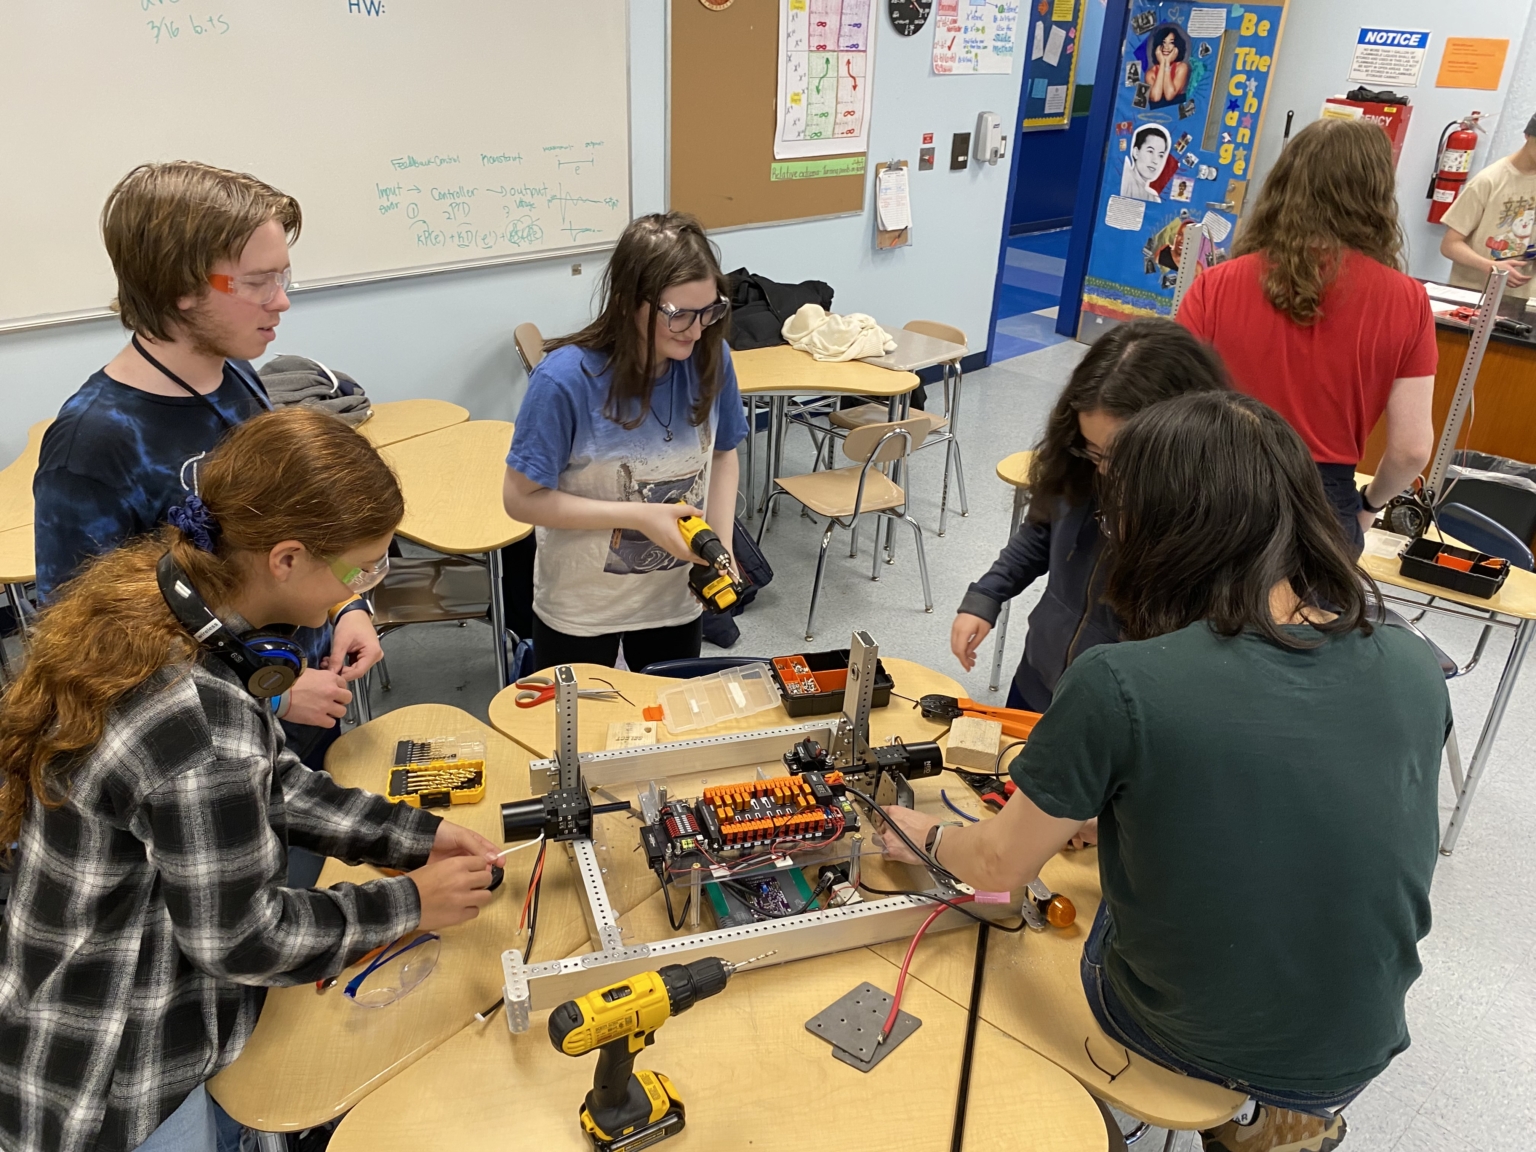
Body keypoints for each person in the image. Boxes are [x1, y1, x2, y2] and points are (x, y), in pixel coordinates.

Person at [884, 391, 1448, 1152]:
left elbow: (996, 866)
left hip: (1177, 1029)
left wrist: (919, 834)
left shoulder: (1121, 682)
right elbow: (1305, 803)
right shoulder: (1413, 663)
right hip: (1356, 1044)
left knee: (1039, 922)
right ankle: (1286, 1127)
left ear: (1153, 531)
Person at [0, 408, 499, 1152]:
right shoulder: (197, 720)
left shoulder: (166, 598)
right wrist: (409, 903)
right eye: (362, 568)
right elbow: (243, 940)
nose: (365, 587)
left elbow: (275, 783)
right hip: (122, 1079)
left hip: (70, 993)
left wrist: (413, 835)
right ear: (287, 558)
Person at [32, 161, 378, 769]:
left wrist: (345, 604)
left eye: (283, 276)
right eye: (257, 282)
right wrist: (269, 699)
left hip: (299, 703)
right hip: (207, 751)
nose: (283, 300)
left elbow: (296, 526)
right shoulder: (91, 446)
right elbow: (85, 656)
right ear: (179, 289)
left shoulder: (236, 373)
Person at [1178, 116, 1436, 555]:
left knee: (1193, 620)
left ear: (1282, 185)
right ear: (1376, 197)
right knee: (1306, 622)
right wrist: (1368, 505)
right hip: (1322, 501)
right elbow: (1412, 450)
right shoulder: (1407, 300)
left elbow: (1167, 402)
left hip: (1217, 485)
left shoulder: (1216, 284)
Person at [502, 212, 748, 670]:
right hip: (582, 607)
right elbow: (520, 500)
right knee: (581, 735)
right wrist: (639, 516)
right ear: (628, 301)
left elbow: (724, 451)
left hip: (673, 602)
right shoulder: (563, 381)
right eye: (679, 316)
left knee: (664, 727)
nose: (697, 331)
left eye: (711, 311)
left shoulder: (711, 356)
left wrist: (723, 543)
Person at [951, 318, 1228, 712]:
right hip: (1037, 678)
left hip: (1113, 711)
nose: (1104, 472)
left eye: (1123, 457)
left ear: (1178, 440)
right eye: (1094, 451)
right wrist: (986, 595)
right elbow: (1042, 530)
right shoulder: (1079, 466)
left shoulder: (1210, 521)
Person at [1439, 111, 1536, 300]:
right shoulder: (1488, 181)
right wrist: (1491, 267)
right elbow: (1449, 245)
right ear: (1528, 135)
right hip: (1475, 296)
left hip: (1524, 298)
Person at [1120, 124, 1172, 202]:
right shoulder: (1124, 177)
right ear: (1136, 152)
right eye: (1150, 151)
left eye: (1161, 155)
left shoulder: (1153, 199)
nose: (1155, 161)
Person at [1143, 24, 1190, 107]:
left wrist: (1167, 62)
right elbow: (1156, 97)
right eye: (1163, 42)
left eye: (1171, 43)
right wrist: (1162, 64)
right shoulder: (1151, 73)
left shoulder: (1182, 67)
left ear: (1177, 46)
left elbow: (1169, 96)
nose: (1166, 47)